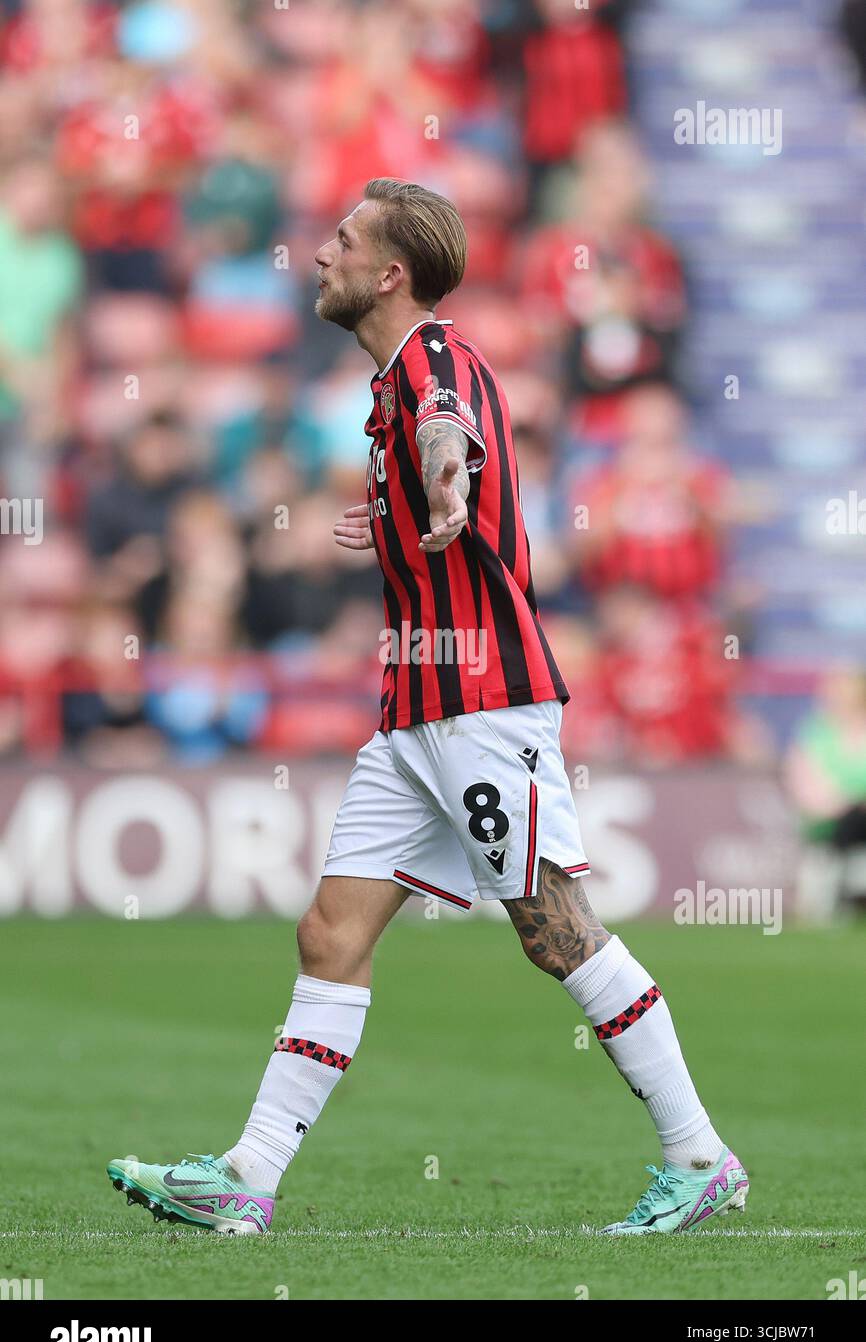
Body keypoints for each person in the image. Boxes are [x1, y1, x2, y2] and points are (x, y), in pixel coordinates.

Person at [107, 178, 748, 1236]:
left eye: (342, 240)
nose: (320, 255)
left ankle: (697, 1155)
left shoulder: (433, 361)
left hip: (480, 703)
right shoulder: (385, 386)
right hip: (414, 716)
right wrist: (407, 509)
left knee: (555, 932)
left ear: (388, 273)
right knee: (329, 933)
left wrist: (443, 478)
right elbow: (427, 446)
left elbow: (448, 427)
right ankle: (246, 1177)